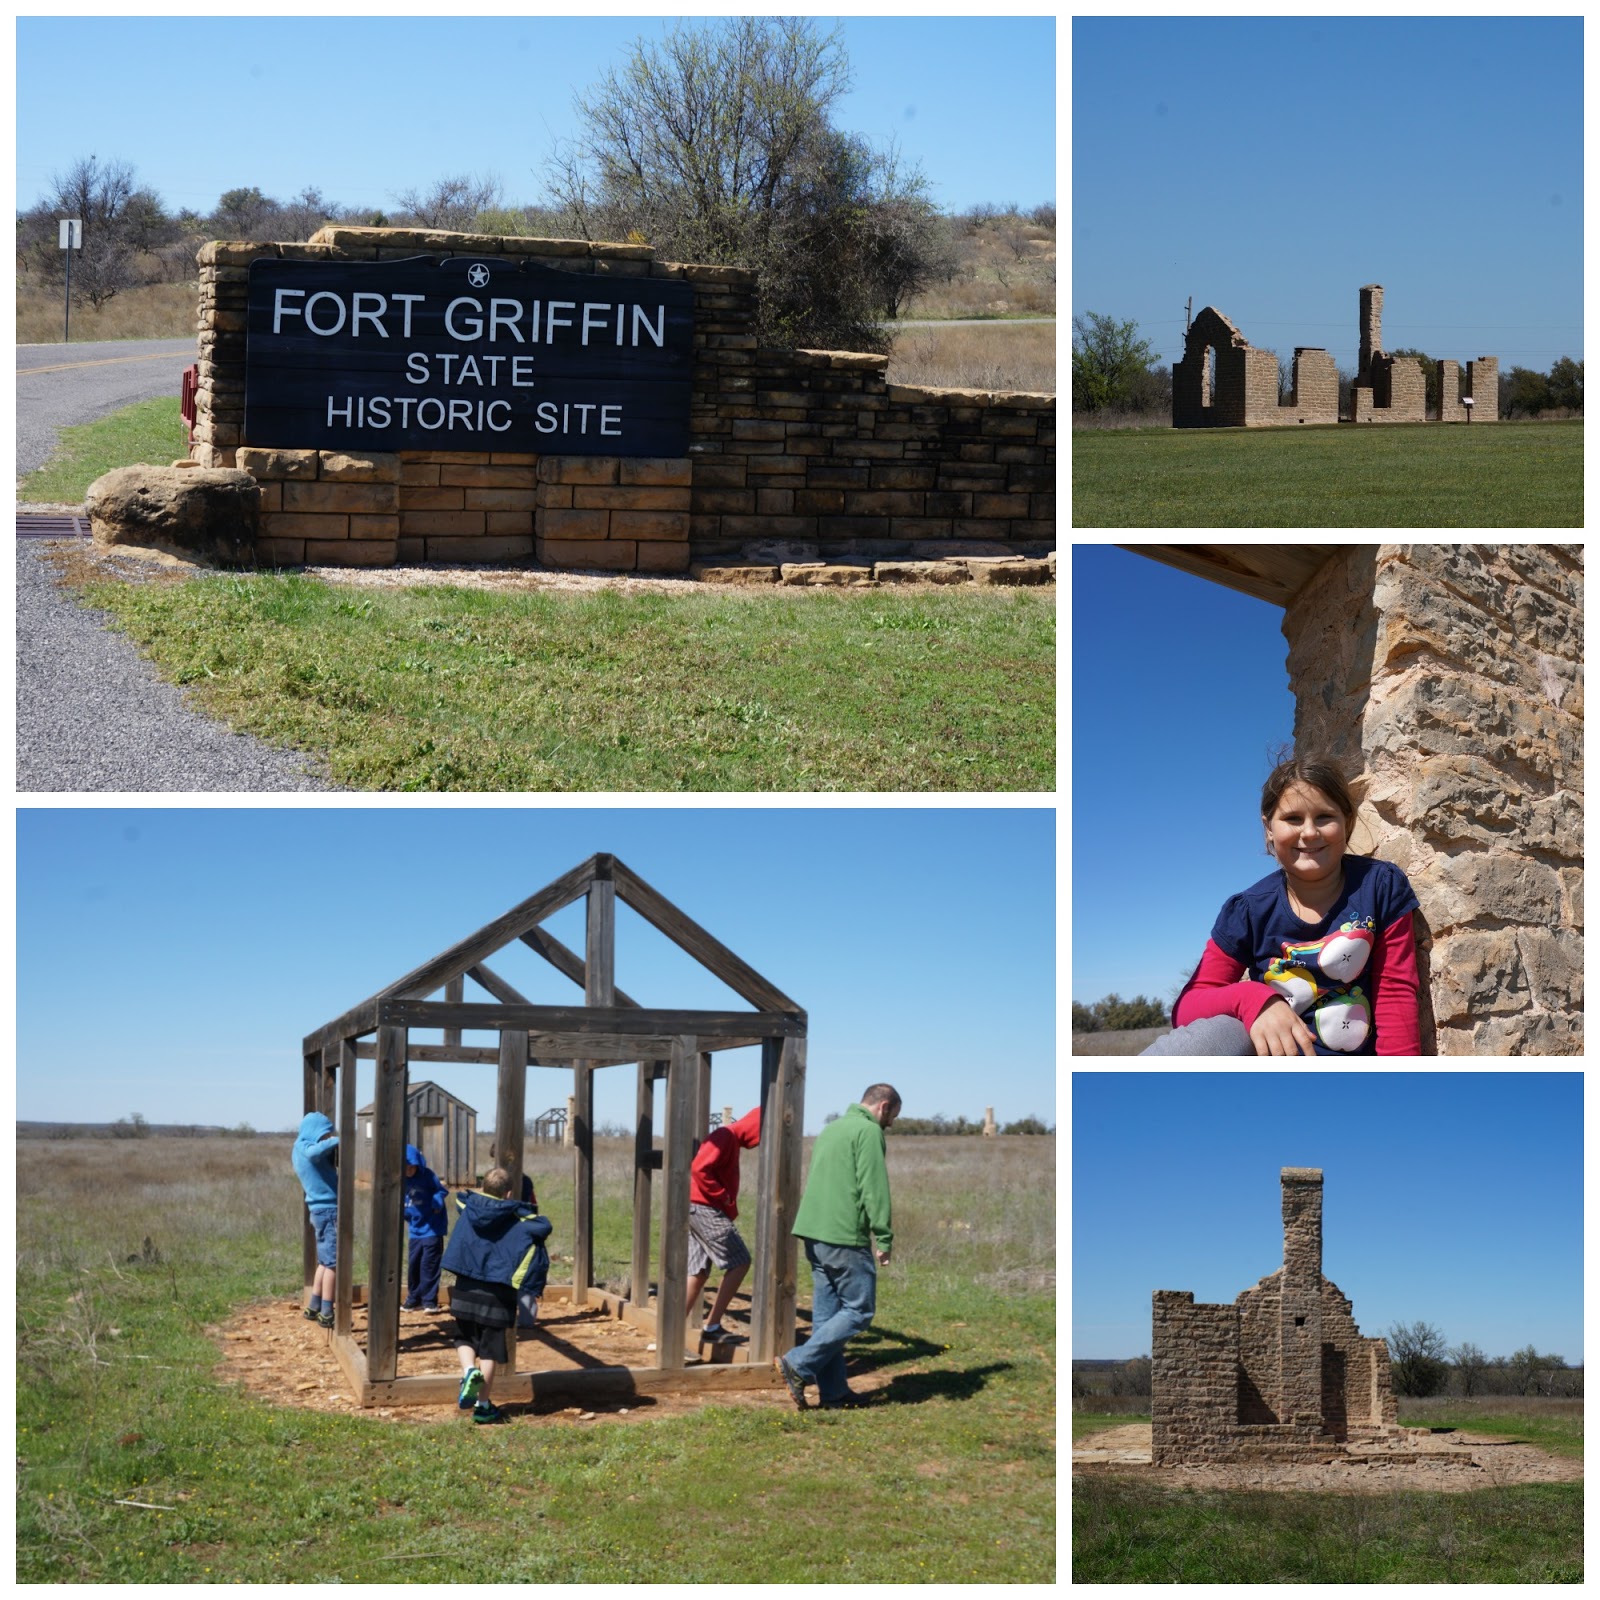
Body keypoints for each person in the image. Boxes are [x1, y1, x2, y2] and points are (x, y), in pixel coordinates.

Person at [1143, 754, 1421, 1057]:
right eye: (1293, 819)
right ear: (1269, 829)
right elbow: (1186, 1009)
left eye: (1324, 817)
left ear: (1348, 822)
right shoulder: (1247, 911)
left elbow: (1395, 993)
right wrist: (1254, 1000)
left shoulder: (1379, 887)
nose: (1309, 832)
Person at [774, 1084, 899, 1412]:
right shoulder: (868, 1132)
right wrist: (883, 1236)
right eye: (892, 1117)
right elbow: (874, 1187)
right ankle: (797, 1364)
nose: (891, 1124)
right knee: (859, 1310)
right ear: (884, 1106)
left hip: (814, 1233)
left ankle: (834, 1393)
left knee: (827, 1318)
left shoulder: (831, 1129)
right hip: (844, 1236)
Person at [441, 1166, 552, 1425]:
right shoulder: (517, 1219)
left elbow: (461, 1198)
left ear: (483, 1188)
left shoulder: (468, 1207)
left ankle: (469, 1370)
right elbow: (544, 1226)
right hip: (498, 1293)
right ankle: (483, 1405)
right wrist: (517, 1208)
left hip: (465, 1288)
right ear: (509, 1193)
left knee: (464, 1337)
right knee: (490, 1350)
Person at [685, 1108, 761, 1341]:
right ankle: (712, 1326)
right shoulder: (725, 1136)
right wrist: (723, 1196)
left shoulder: (731, 1140)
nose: (759, 1143)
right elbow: (699, 1168)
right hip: (704, 1208)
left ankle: (670, 1332)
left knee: (698, 1272)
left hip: (696, 1208)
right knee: (740, 1261)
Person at [291, 1112, 340, 1329]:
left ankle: (314, 1305)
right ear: (314, 1132)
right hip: (328, 1209)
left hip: (319, 1210)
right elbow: (314, 1153)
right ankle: (327, 1311)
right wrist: (338, 1140)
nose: (326, 1138)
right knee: (333, 1264)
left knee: (324, 1262)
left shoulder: (298, 1148)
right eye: (324, 1135)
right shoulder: (306, 1148)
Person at [401, 1144, 449, 1313]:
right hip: (415, 1230)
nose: (408, 1171)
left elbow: (441, 1191)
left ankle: (429, 1301)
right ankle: (413, 1299)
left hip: (432, 1228)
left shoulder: (427, 1175)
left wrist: (437, 1201)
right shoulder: (400, 1179)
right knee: (414, 1265)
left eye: (411, 1167)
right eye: (405, 1167)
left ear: (417, 1164)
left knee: (429, 1265)